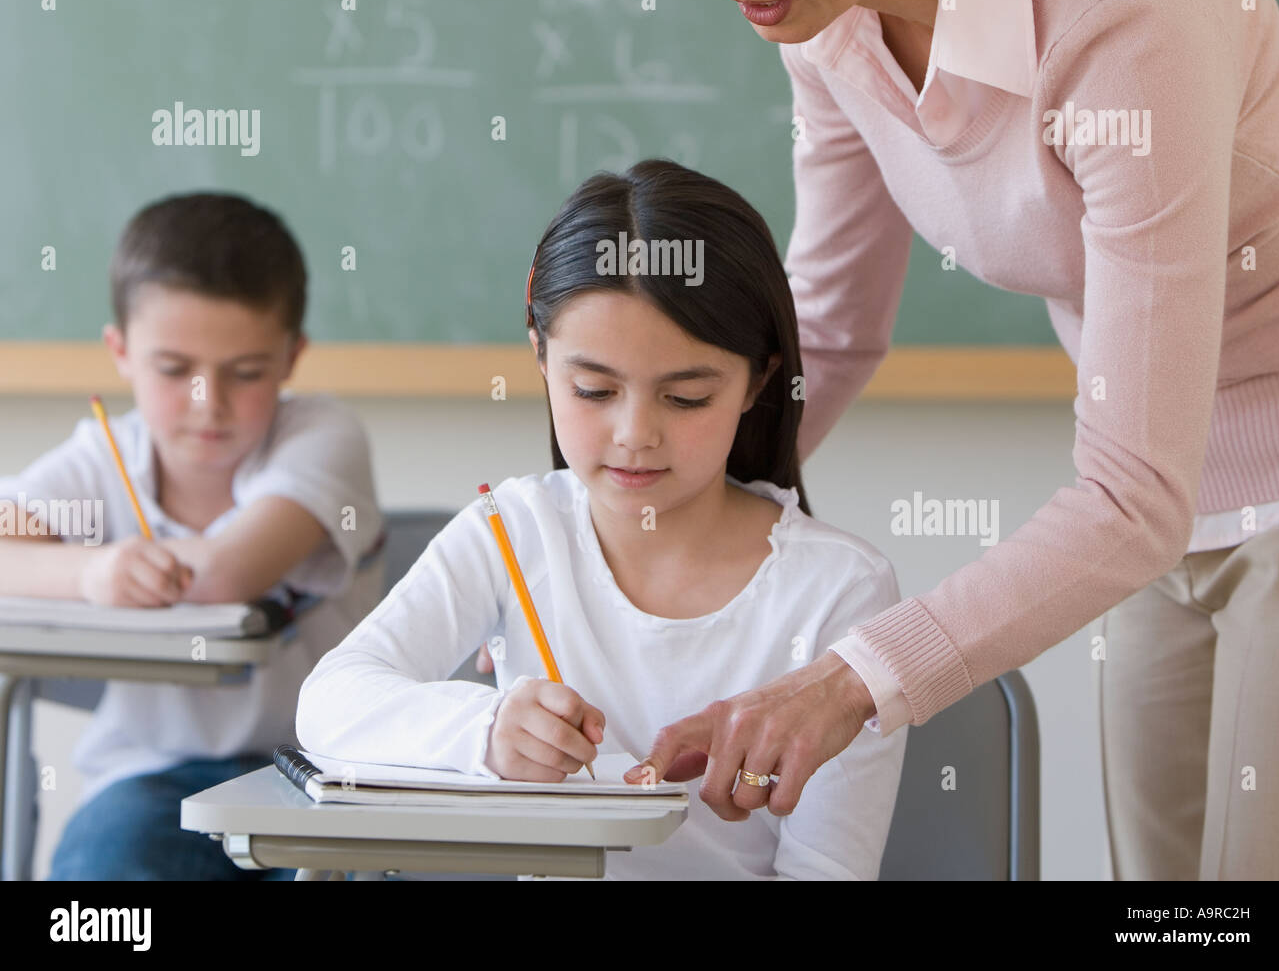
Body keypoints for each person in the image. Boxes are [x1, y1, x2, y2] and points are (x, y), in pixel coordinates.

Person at [624, 0, 1279, 880]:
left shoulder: (1119, 11)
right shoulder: (828, 29)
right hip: (1158, 486)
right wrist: (627, 520)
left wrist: (851, 682)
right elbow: (825, 330)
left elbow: (1124, 501)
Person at [297, 160, 906, 880]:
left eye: (685, 398)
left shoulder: (837, 590)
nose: (634, 434)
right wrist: (487, 733)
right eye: (593, 390)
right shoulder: (514, 531)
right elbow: (332, 702)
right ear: (540, 357)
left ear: (759, 380)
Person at [0, 192, 383, 880]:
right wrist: (89, 575)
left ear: (293, 355)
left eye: (245, 372)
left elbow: (225, 575)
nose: (209, 403)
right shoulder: (102, 457)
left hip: (320, 779)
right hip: (149, 779)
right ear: (119, 351)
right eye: (174, 370)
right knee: (101, 879)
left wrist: (84, 562)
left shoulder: (323, 436)